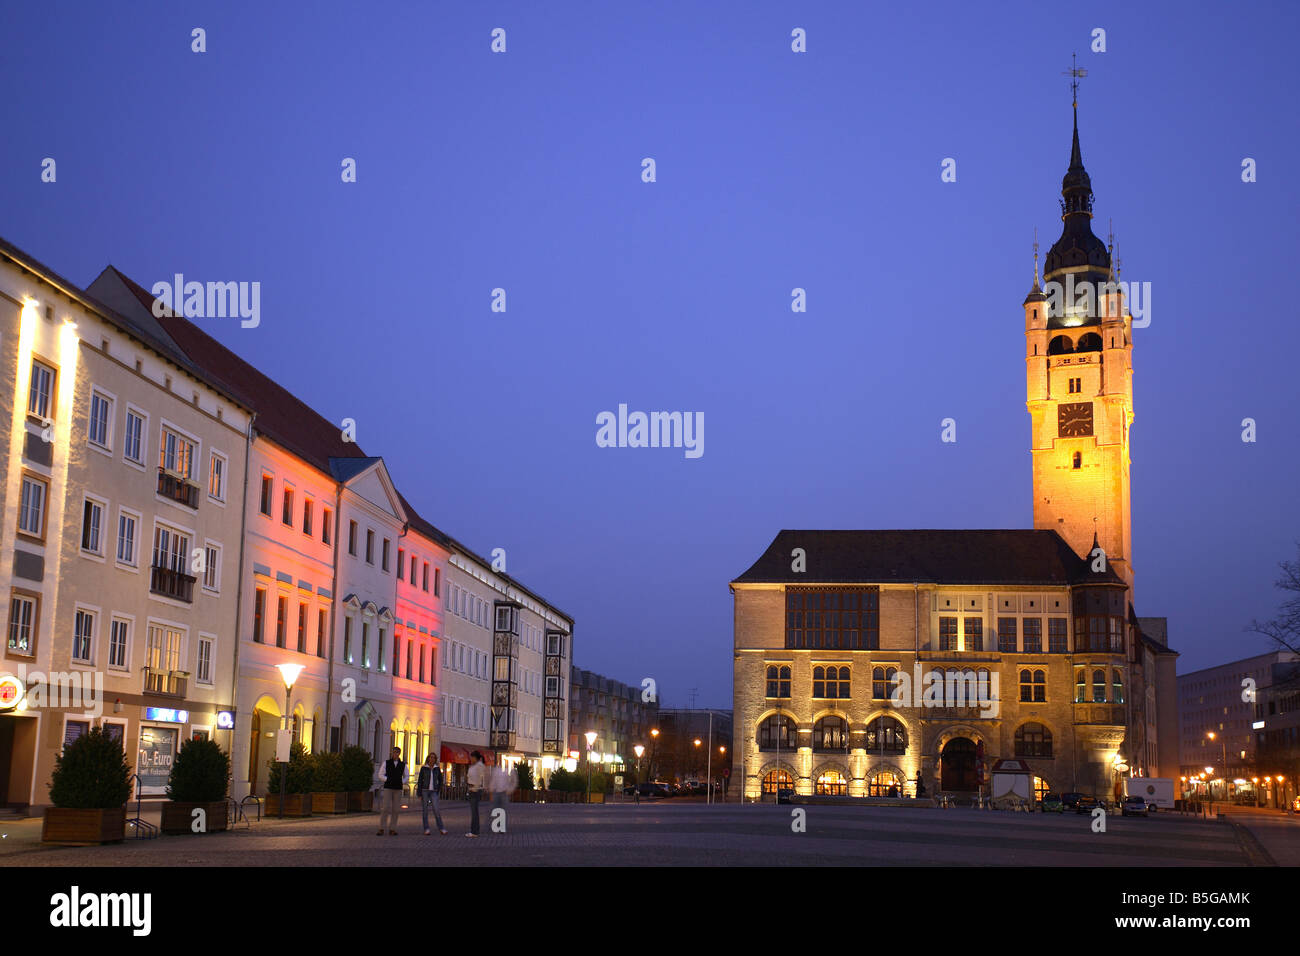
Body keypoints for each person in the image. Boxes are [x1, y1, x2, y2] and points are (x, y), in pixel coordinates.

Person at [377, 746, 407, 835]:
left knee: (396, 809)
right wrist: (387, 779)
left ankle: (392, 828)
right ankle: (381, 828)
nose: (395, 754)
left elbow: (407, 776)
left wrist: (402, 782)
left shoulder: (403, 765)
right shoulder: (386, 763)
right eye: (394, 752)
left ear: (399, 754)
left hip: (398, 788)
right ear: (392, 753)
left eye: (397, 752)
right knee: (385, 808)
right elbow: (380, 774)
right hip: (388, 787)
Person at [417, 753, 447, 835]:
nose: (432, 759)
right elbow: (420, 781)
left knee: (436, 810)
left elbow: (441, 780)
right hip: (425, 791)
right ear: (428, 758)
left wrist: (438, 789)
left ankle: (441, 828)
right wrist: (419, 794)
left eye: (434, 758)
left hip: (434, 791)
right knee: (425, 811)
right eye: (431, 757)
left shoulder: (437, 768)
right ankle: (426, 829)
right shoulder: (424, 768)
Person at [466, 751, 488, 837]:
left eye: (472, 757)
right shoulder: (474, 766)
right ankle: (474, 830)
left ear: (475, 758)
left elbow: (484, 777)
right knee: (474, 812)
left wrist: (480, 787)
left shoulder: (479, 766)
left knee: (474, 812)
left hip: (475, 790)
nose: (471, 759)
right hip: (472, 789)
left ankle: (474, 831)